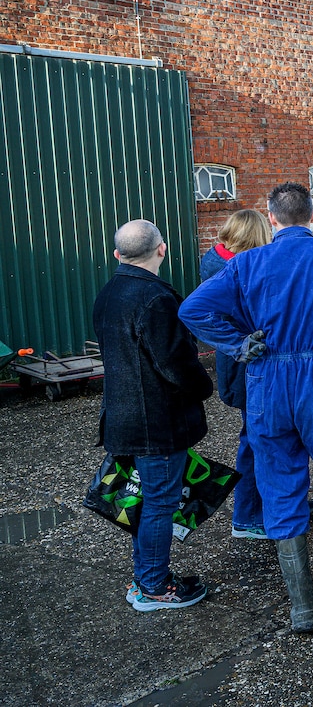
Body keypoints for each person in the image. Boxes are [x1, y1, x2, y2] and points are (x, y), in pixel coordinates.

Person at [179, 182, 313, 633]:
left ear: (271, 219)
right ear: (312, 216)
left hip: (267, 382)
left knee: (279, 485)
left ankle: (301, 607)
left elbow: (193, 310)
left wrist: (237, 345)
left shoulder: (248, 263)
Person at [93, 219, 214, 611]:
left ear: (117, 254)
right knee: (160, 504)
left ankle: (146, 575)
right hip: (156, 423)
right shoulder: (155, 299)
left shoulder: (110, 292)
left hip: (124, 417)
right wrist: (204, 388)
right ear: (162, 249)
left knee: (146, 502)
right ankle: (154, 588)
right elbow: (176, 364)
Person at [198, 209, 271, 540]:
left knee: (257, 439)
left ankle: (264, 506)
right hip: (244, 368)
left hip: (239, 365)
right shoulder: (228, 270)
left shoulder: (217, 259)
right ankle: (247, 517)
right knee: (254, 442)